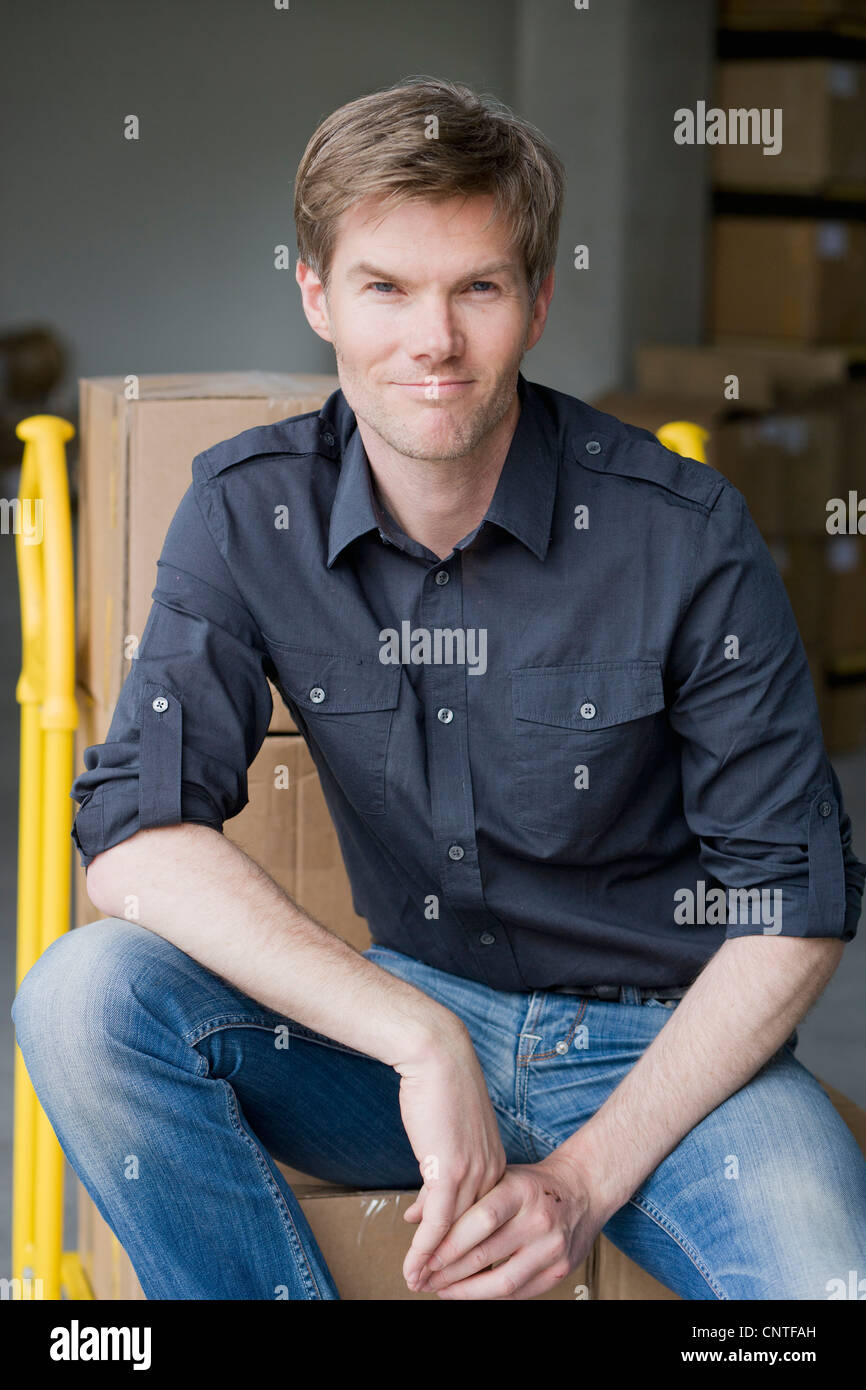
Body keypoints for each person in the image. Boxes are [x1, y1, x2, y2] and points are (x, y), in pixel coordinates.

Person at [12, 75, 866, 1302]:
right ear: (314, 293)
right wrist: (415, 1037)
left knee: (823, 1287)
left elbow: (790, 902)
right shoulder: (246, 511)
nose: (433, 340)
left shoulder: (682, 533)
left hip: (663, 1049)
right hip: (394, 1021)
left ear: (535, 299)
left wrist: (580, 1180)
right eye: (384, 288)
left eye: (477, 286)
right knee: (80, 994)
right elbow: (135, 841)